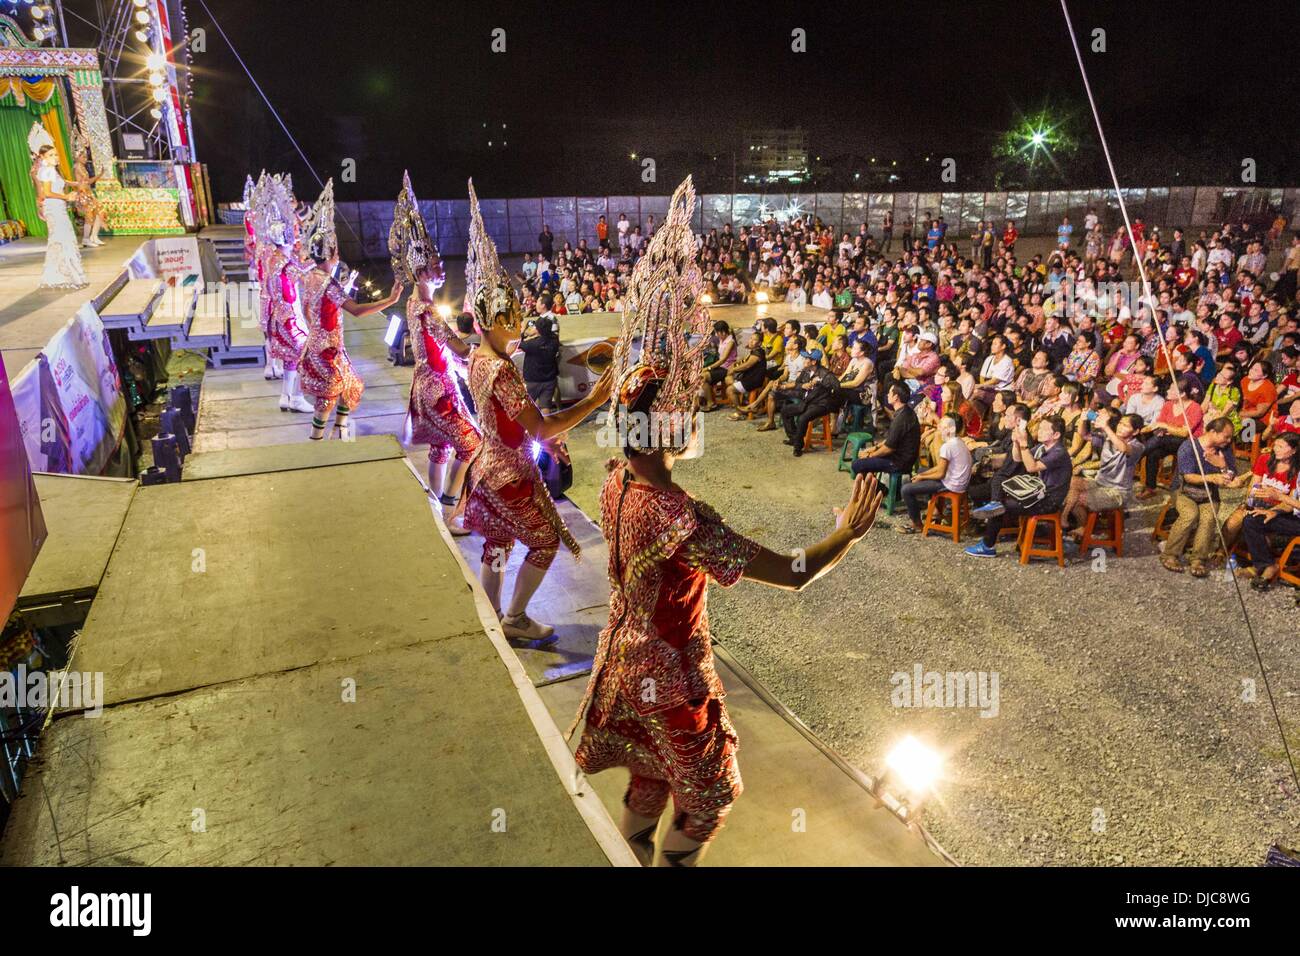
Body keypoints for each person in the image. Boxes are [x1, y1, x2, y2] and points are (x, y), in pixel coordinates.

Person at [570, 177, 885, 867]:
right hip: (674, 676)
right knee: (710, 792)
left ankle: (629, 855)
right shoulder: (682, 517)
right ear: (668, 425)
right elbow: (790, 576)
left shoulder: (616, 481)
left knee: (652, 773)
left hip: (623, 659)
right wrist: (845, 536)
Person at [463, 180, 613, 641]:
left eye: (517, 318)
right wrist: (594, 401)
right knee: (544, 542)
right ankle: (514, 618)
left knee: (498, 544)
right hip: (508, 475)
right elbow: (542, 426)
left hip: (488, 466)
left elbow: (521, 426)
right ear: (488, 321)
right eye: (509, 321)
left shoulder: (479, 357)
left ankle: (491, 621)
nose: (518, 326)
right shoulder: (502, 371)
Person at [393, 171, 480, 523]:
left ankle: (436, 507)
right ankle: (449, 508)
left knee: (442, 446)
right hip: (437, 389)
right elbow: (454, 347)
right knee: (471, 441)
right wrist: (481, 351)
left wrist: (466, 366)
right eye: (434, 264)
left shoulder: (414, 304)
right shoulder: (428, 310)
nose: (441, 267)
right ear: (420, 271)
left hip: (429, 384)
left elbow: (440, 352)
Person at [299, 181, 401, 441]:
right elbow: (355, 310)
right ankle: (315, 441)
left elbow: (312, 307)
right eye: (336, 251)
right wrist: (390, 301)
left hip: (322, 343)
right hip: (327, 349)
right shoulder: (328, 283)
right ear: (330, 254)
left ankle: (339, 431)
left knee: (352, 385)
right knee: (329, 393)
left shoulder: (310, 277)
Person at [964, 416, 1073, 558]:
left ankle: (987, 545)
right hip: (1038, 494)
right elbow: (1018, 458)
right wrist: (1016, 442)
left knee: (1000, 507)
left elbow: (1031, 467)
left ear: (1056, 435)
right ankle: (991, 510)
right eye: (1039, 428)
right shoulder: (1042, 447)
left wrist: (1023, 444)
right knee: (1001, 487)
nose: (1039, 432)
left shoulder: (1059, 452)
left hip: (1048, 501)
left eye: (1044, 430)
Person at [1161, 416, 1247, 577]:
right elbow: (1188, 477)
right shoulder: (1188, 447)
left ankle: (1198, 559)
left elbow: (1231, 473)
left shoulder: (1224, 449)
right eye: (1226, 436)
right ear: (1213, 432)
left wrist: (1222, 466)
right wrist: (1211, 478)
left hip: (1209, 493)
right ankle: (1170, 554)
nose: (1229, 441)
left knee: (1208, 518)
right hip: (1184, 491)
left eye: (1230, 437)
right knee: (1190, 515)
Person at [258, 173, 314, 413]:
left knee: (291, 358)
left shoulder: (273, 257)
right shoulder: (286, 264)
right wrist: (319, 264)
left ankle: (286, 396)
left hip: (276, 314)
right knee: (303, 355)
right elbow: (302, 274)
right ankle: (297, 396)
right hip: (289, 318)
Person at [1238, 433, 1300, 590]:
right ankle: (1267, 564)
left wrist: (1278, 496)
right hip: (1290, 514)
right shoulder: (1268, 460)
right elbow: (1291, 502)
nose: (1276, 449)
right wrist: (1274, 511)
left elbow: (1290, 502)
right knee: (1252, 519)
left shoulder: (1296, 470)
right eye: (1276, 445)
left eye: (1281, 446)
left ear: (1293, 451)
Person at [29, 127, 87, 291]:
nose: (55, 157)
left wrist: (74, 184)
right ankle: (66, 275)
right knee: (63, 239)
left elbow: (61, 183)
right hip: (53, 208)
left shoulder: (51, 171)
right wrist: (66, 197)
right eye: (51, 155)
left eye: (55, 154)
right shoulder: (45, 171)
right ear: (42, 157)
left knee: (63, 240)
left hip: (57, 208)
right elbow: (47, 192)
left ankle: (62, 274)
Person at [897, 413, 973, 534]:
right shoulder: (958, 441)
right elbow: (940, 468)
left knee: (906, 489)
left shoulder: (947, 446)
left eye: (942, 424)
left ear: (951, 429)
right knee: (922, 470)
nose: (939, 425)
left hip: (952, 485)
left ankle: (916, 524)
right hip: (959, 482)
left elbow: (940, 474)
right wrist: (923, 475)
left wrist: (922, 477)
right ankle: (935, 509)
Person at [852, 382, 921, 478]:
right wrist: (874, 448)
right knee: (865, 460)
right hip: (901, 457)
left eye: (889, 393)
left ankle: (881, 490)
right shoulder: (906, 412)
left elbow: (888, 448)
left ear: (896, 397)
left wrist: (870, 455)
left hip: (899, 462)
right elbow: (891, 440)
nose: (887, 395)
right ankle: (873, 485)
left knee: (857, 465)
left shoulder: (901, 419)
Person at [70, 137, 107, 248]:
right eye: (83, 156)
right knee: (89, 217)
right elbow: (83, 182)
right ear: (77, 157)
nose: (86, 159)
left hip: (89, 193)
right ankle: (86, 239)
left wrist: (99, 175)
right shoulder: (77, 167)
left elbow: (88, 181)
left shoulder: (83, 167)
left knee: (99, 213)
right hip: (83, 194)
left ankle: (94, 237)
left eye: (86, 156)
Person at [521, 316, 561, 411]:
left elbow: (519, 343)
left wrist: (524, 333)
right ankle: (547, 424)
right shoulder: (554, 341)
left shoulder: (531, 344)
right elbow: (552, 335)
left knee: (527, 407)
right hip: (549, 380)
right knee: (545, 406)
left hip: (532, 381)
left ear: (537, 330)